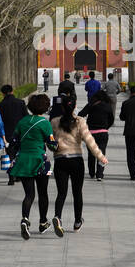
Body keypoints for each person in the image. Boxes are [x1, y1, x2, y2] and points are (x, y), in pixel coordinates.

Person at [50, 93, 108, 234]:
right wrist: (101, 157)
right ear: (75, 106)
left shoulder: (54, 122)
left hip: (60, 160)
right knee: (77, 192)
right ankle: (77, 222)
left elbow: (50, 142)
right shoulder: (80, 121)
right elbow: (89, 141)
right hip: (76, 160)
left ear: (62, 107)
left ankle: (58, 216)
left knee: (61, 193)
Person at [11, 93, 55, 239]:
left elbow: (14, 141)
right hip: (40, 161)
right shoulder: (45, 123)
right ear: (45, 107)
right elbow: (52, 145)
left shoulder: (22, 122)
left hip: (23, 160)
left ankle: (25, 219)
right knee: (43, 194)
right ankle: (43, 222)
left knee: (29, 194)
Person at [77, 90, 114, 181]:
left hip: (91, 133)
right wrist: (105, 127)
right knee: (101, 153)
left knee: (91, 154)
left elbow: (80, 114)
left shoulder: (91, 105)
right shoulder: (107, 106)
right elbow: (111, 120)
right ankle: (100, 174)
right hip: (103, 133)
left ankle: (92, 172)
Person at [0, 84, 27, 186]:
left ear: (2, 93)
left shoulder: (0, 105)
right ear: (12, 91)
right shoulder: (21, 103)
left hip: (7, 134)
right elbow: (26, 117)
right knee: (19, 154)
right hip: (20, 133)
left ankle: (11, 177)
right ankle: (18, 175)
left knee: (10, 155)